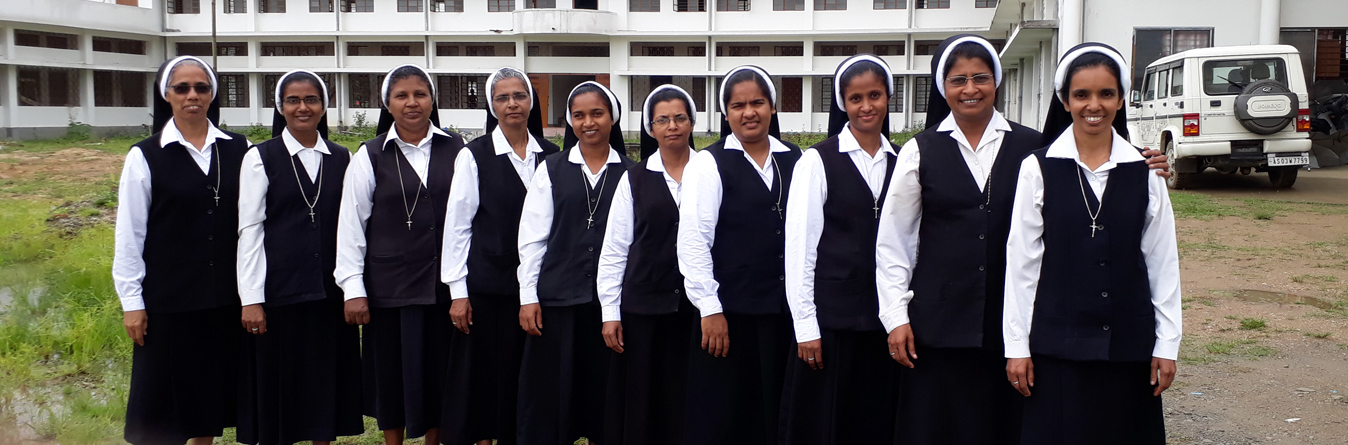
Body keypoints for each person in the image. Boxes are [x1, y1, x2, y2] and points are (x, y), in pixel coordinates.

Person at [875, 35, 1171, 444]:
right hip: (940, 325)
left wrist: (1142, 160)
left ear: (996, 81)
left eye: (981, 77)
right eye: (958, 79)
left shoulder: (1035, 148)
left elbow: (1091, 160)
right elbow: (895, 241)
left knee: (1012, 427)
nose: (970, 88)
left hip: (1015, 327)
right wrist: (896, 315)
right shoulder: (919, 151)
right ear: (943, 87)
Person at [1003, 42, 1182, 445]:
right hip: (1056, 348)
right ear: (1065, 101)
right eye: (1081, 94)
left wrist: (1167, 343)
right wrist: (1016, 346)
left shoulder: (1145, 170)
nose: (1093, 105)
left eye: (1106, 93)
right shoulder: (1037, 167)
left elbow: (1162, 263)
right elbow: (1022, 265)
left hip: (1128, 347)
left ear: (1120, 100)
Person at [113, 55, 249, 445]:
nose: (193, 95)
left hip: (224, 300)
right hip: (168, 301)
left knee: (206, 402)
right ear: (166, 95)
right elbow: (129, 235)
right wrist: (132, 302)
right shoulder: (145, 155)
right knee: (162, 407)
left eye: (201, 87)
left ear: (212, 95)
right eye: (182, 88)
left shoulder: (240, 149)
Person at [334, 64, 465, 445]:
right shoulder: (370, 155)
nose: (412, 103)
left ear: (432, 100)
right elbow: (351, 226)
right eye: (401, 95)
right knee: (392, 377)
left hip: (442, 288)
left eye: (420, 94)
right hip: (389, 288)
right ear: (387, 104)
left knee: (439, 375)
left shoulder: (457, 150)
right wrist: (353, 288)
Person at [235, 69, 363, 445]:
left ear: (324, 107)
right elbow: (250, 231)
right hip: (279, 294)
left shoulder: (344, 158)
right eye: (293, 100)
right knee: (282, 388)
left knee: (325, 386)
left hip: (328, 293)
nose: (302, 107)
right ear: (281, 106)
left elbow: (354, 226)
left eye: (311, 99)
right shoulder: (261, 158)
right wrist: (251, 299)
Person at [676, 65, 802, 445]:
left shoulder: (795, 159)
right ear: (725, 113)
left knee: (776, 414)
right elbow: (693, 239)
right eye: (738, 105)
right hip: (729, 317)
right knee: (728, 416)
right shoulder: (708, 163)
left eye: (758, 103)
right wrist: (710, 309)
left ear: (773, 108)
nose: (749, 112)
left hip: (783, 313)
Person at [779, 54, 901, 444]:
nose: (866, 106)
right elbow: (800, 248)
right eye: (856, 98)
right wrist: (805, 326)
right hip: (833, 324)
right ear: (843, 103)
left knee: (876, 423)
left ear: (888, 98)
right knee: (829, 425)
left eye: (875, 95)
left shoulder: (904, 160)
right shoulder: (817, 161)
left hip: (886, 323)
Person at [439, 67, 560, 445]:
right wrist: (457, 292)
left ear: (531, 101)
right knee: (488, 377)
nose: (512, 104)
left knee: (527, 376)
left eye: (519, 96)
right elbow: (458, 226)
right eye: (502, 97)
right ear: (492, 105)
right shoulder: (474, 156)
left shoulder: (553, 155)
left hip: (541, 288)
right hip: (489, 287)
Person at [515, 81, 633, 445]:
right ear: (569, 121)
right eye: (578, 115)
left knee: (604, 394)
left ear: (612, 118)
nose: (588, 122)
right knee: (554, 397)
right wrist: (528, 296)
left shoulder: (632, 172)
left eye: (597, 113)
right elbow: (532, 238)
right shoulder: (551, 169)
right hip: (558, 301)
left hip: (610, 306)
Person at [598, 84, 699, 445]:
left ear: (691, 123)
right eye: (662, 119)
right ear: (650, 127)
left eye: (679, 118)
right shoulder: (635, 178)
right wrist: (610, 311)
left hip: (693, 310)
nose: (672, 126)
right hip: (643, 307)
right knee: (644, 401)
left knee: (686, 399)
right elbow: (615, 249)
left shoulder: (708, 171)